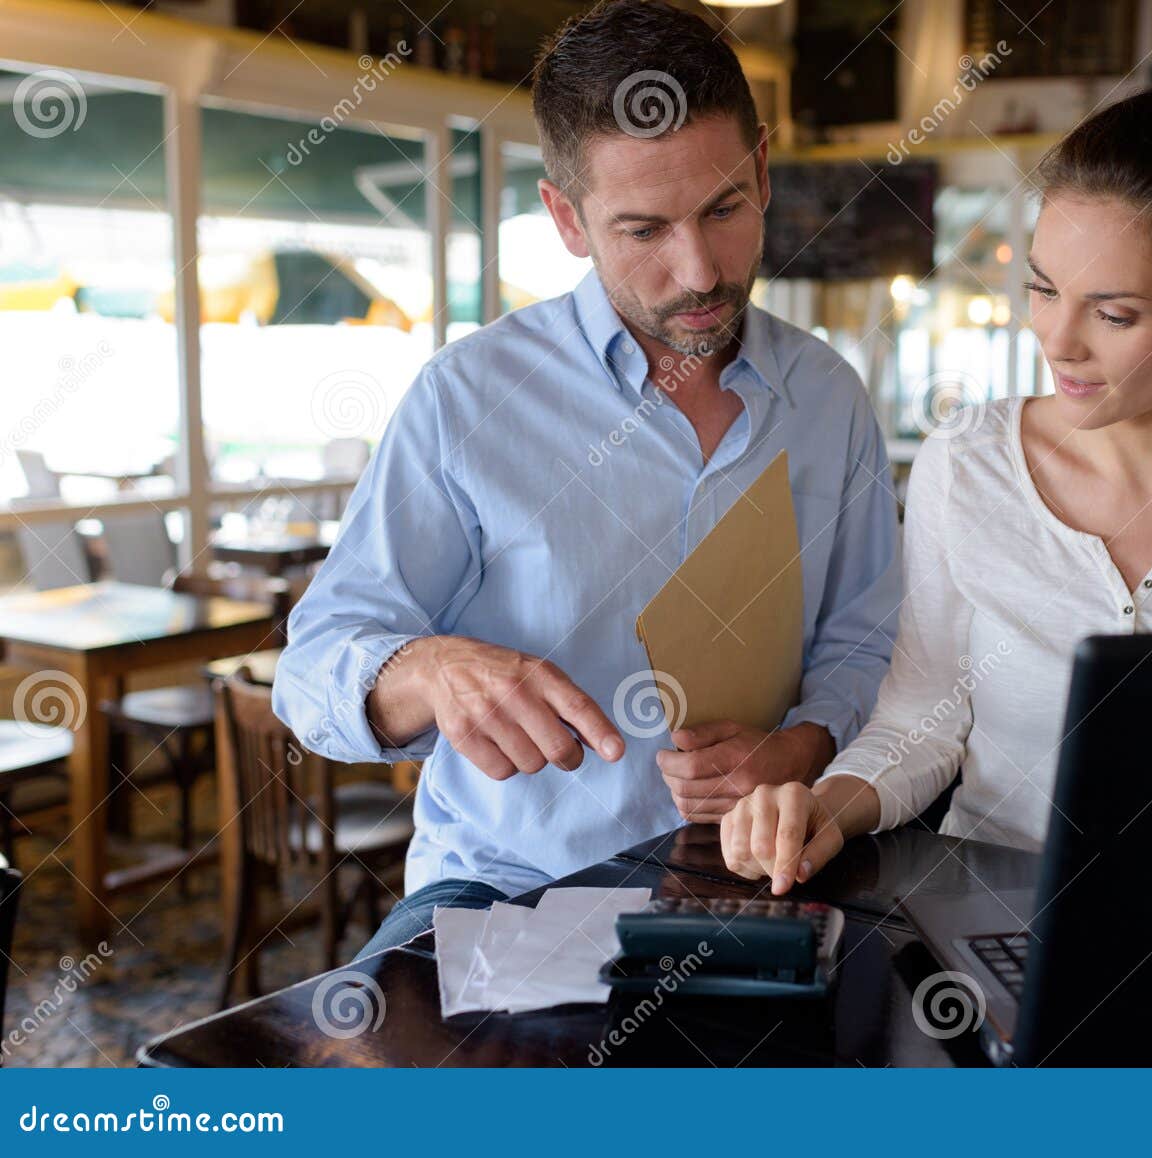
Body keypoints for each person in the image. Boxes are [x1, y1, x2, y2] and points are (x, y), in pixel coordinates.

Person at [273, 0, 901, 957]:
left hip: (757, 874)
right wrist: (429, 670)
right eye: (644, 230)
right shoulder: (465, 398)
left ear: (764, 169)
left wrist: (799, 748)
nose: (701, 271)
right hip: (509, 883)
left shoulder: (830, 397)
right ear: (567, 217)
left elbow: (863, 641)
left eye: (725, 209)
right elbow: (311, 672)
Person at [719, 51, 1152, 893]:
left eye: (1114, 314)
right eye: (1043, 290)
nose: (1059, 341)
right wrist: (824, 807)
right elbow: (922, 718)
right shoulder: (968, 463)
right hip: (995, 914)